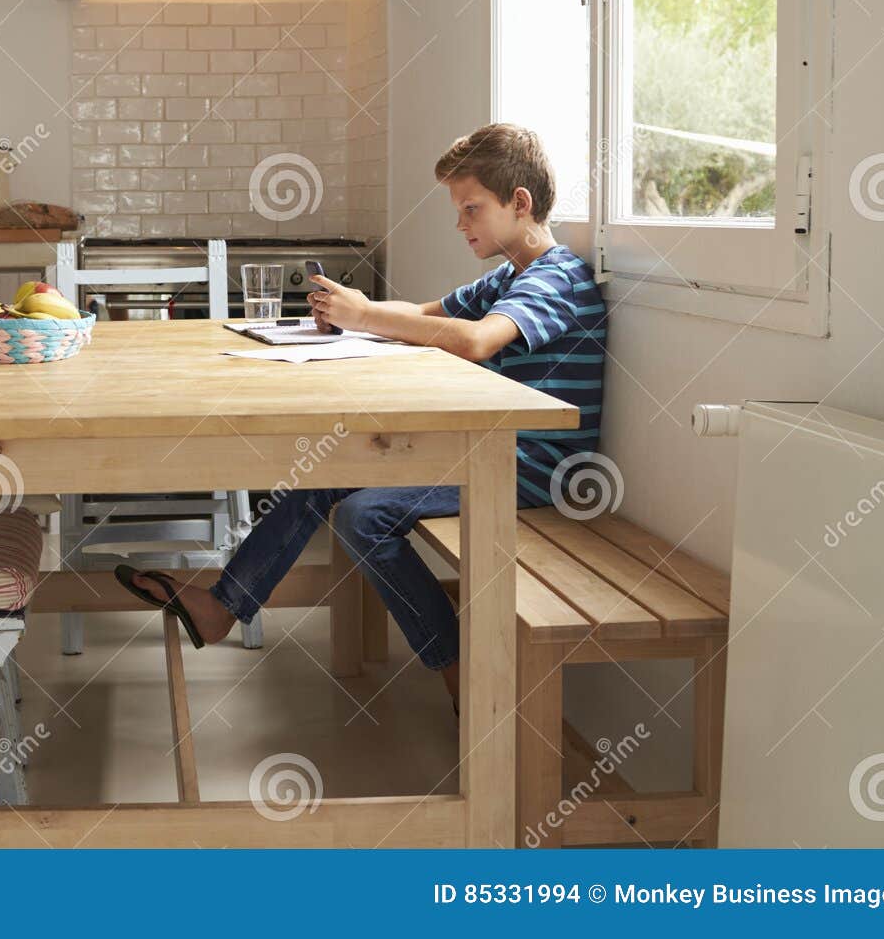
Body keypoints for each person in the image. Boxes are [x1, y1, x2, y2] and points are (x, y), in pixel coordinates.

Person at [115, 123, 607, 711]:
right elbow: (424, 312)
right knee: (329, 468)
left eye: (471, 208)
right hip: (490, 449)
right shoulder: (510, 274)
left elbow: (477, 341)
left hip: (534, 466)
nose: (460, 223)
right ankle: (223, 606)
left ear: (519, 203)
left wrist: (368, 318)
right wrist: (354, 311)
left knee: (363, 515)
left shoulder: (556, 278)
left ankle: (459, 670)